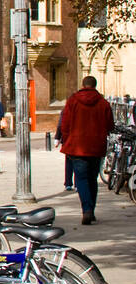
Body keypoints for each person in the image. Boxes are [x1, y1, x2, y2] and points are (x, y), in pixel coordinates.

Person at [59, 75, 115, 225]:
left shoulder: (73, 101)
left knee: (81, 179)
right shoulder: (103, 103)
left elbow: (65, 124)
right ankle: (91, 209)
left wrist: (67, 138)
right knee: (92, 179)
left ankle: (86, 209)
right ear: (95, 85)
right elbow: (110, 125)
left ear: (83, 85)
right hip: (96, 146)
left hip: (77, 146)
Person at [55, 114, 74, 192]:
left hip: (68, 139)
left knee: (69, 162)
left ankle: (68, 183)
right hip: (81, 140)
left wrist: (57, 137)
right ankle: (77, 185)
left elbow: (60, 125)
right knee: (80, 162)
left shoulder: (67, 108)